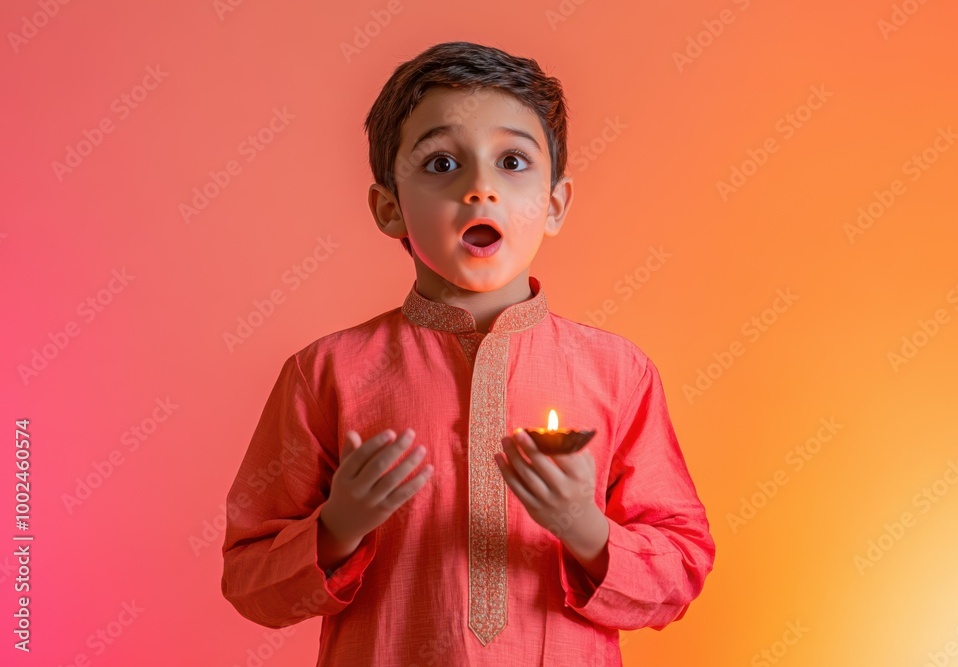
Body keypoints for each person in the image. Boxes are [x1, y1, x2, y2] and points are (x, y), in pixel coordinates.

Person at [221, 40, 715, 666]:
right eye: (441, 164)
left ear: (555, 204)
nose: (480, 189)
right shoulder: (327, 374)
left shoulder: (618, 373)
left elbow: (681, 573)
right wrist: (338, 525)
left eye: (512, 161)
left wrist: (582, 527)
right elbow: (249, 582)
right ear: (389, 208)